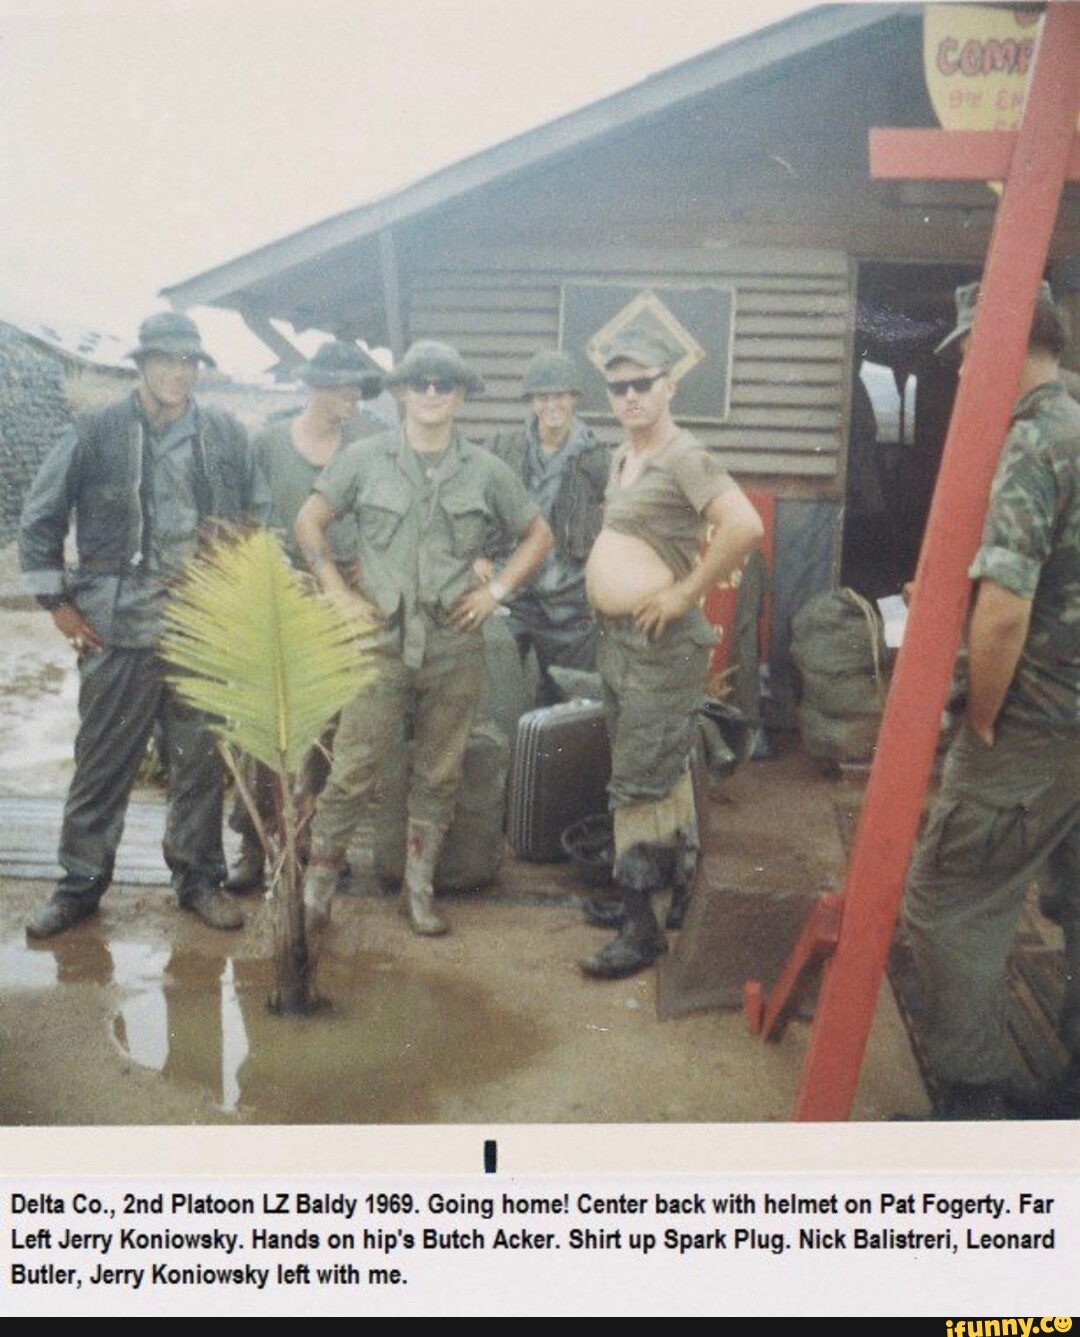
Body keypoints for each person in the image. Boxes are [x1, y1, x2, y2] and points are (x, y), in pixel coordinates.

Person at [19, 311, 270, 938]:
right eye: (165, 359)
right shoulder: (94, 430)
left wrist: (234, 573)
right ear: (141, 365)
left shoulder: (225, 435)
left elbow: (259, 522)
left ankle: (199, 881)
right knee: (103, 762)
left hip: (200, 628)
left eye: (189, 362)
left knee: (200, 766)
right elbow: (38, 524)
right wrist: (59, 607)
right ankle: (79, 885)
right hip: (117, 628)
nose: (177, 372)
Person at [294, 340, 553, 937]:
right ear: (402, 392)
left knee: (440, 771)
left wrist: (496, 593)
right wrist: (336, 591)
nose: (432, 393)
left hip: (453, 644)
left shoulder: (486, 470)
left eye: (445, 384)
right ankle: (317, 895)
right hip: (380, 642)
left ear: (461, 395)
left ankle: (419, 891)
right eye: (421, 383)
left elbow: (538, 535)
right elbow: (310, 520)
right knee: (354, 765)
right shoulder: (365, 458)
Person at [903, 280, 1080, 1120]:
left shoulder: (1036, 440)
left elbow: (1008, 604)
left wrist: (979, 714)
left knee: (950, 895)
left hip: (1037, 721)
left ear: (1013, 339)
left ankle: (972, 1100)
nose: (967, 364)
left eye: (974, 346)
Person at [581, 330, 764, 979]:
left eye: (642, 383)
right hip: (622, 642)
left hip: (660, 645)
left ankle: (641, 927)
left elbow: (744, 525)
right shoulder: (623, 456)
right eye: (618, 386)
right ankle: (666, 893)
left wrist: (687, 591)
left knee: (639, 779)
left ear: (669, 385)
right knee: (655, 769)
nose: (629, 396)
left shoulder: (686, 454)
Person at [223, 338, 384, 894]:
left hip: (342, 600)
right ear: (314, 388)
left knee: (333, 730)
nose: (352, 400)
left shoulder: (366, 443)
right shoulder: (267, 445)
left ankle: (319, 846)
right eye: (342, 389)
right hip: (280, 601)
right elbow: (242, 524)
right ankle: (252, 843)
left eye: (356, 390)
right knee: (265, 732)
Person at [483, 350, 610, 705]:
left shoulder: (598, 457)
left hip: (570, 598)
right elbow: (480, 504)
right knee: (498, 695)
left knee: (573, 701)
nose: (551, 404)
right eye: (542, 396)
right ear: (531, 401)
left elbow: (615, 524)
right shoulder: (505, 448)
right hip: (512, 592)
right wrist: (480, 554)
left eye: (559, 396)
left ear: (573, 398)